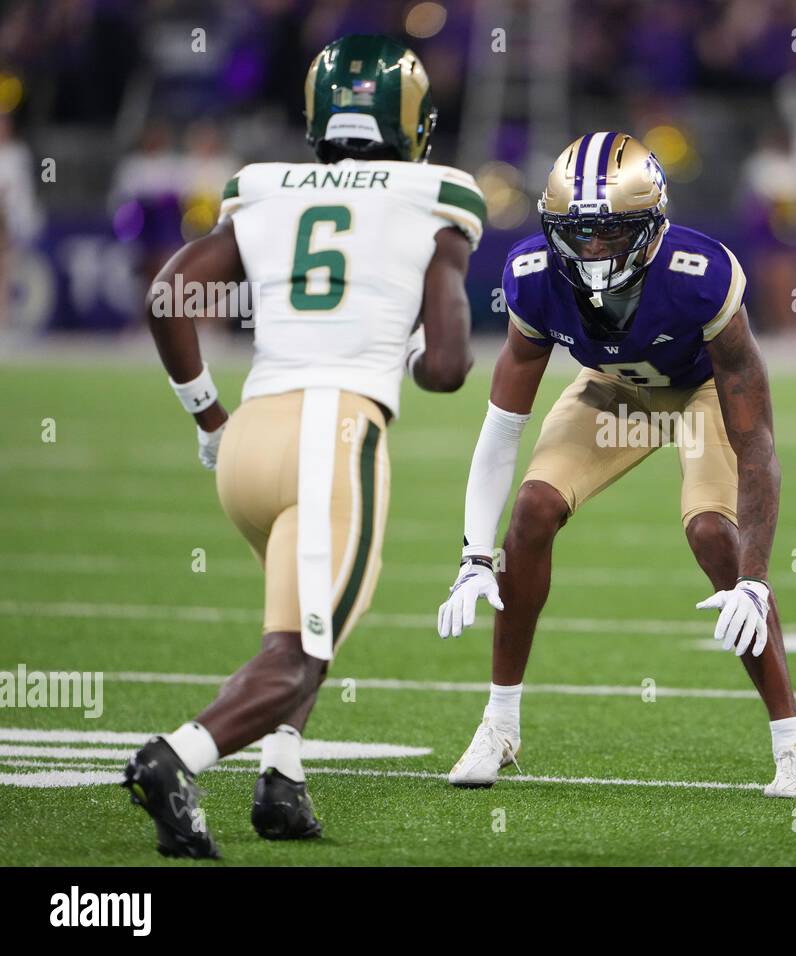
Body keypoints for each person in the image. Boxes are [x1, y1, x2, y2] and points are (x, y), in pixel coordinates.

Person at [122, 34, 483, 858]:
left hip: (252, 433)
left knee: (305, 620)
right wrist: (415, 357)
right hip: (334, 430)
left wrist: (209, 417)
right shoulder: (438, 192)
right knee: (297, 649)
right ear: (414, 119)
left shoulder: (266, 186)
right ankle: (174, 759)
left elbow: (172, 293)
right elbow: (452, 366)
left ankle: (282, 779)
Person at [435, 132, 796, 799]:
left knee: (712, 534)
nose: (592, 250)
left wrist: (756, 579)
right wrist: (475, 553)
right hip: (613, 391)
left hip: (699, 391)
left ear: (651, 226)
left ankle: (793, 744)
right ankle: (499, 724)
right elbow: (503, 424)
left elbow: (756, 440)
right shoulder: (533, 279)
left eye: (611, 233)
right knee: (531, 511)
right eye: (578, 234)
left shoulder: (700, 277)